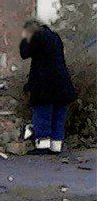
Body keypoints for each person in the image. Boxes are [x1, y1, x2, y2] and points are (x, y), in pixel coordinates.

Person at [20, 19, 76, 154]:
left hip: (44, 84)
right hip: (62, 82)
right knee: (58, 115)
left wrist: (25, 39)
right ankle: (56, 145)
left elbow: (24, 53)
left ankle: (43, 145)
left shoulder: (36, 37)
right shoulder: (55, 37)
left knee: (42, 114)